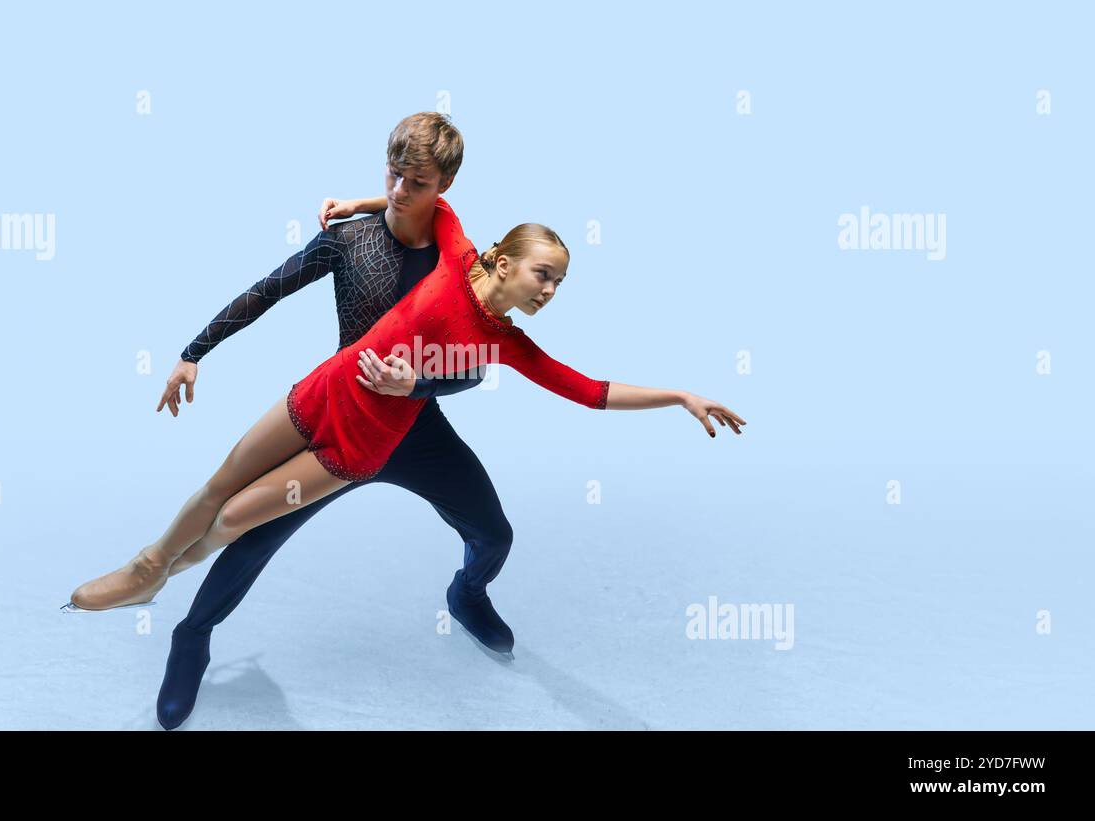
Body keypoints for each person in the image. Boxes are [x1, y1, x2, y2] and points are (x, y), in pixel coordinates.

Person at [67, 188, 747, 721]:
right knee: (242, 521)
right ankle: (185, 625)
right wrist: (360, 204)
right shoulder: (449, 248)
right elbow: (432, 197)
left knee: (493, 532)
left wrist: (678, 394)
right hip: (329, 397)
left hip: (400, 438)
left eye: (559, 283)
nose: (550, 291)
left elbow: (590, 390)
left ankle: (467, 593)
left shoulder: (507, 342)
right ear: (504, 262)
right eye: (545, 274)